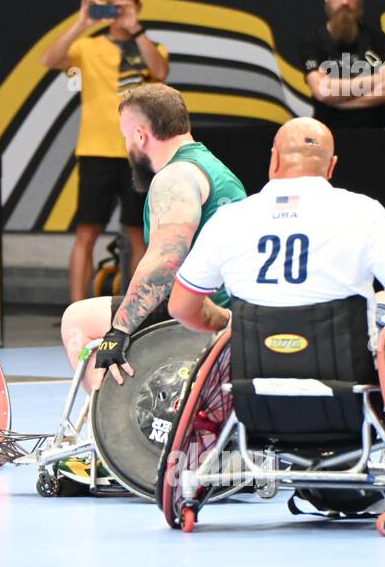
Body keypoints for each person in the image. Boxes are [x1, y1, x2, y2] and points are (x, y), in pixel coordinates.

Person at [167, 117, 385, 364]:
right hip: (346, 371)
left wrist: (228, 321)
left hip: (254, 370)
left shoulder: (228, 219)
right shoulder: (365, 212)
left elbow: (181, 307)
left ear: (274, 160)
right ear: (331, 167)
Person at [60, 84, 246, 392]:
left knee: (77, 319)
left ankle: (112, 432)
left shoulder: (175, 177)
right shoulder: (212, 167)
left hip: (207, 312)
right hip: (233, 309)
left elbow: (167, 259)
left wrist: (119, 329)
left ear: (140, 136)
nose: (126, 146)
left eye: (125, 137)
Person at [40, 0, 170, 303]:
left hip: (138, 153)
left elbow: (161, 71)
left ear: (138, 8)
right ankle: (75, 309)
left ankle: (138, 311)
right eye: (112, 5)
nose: (118, 12)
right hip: (95, 151)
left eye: (124, 5)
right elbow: (49, 59)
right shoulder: (89, 46)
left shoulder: (150, 46)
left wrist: (136, 30)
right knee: (86, 232)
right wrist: (82, 22)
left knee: (138, 233)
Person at [299, 0, 385, 130]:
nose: (345, 1)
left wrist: (342, 103)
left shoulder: (376, 38)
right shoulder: (313, 41)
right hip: (328, 137)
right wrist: (375, 80)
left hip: (374, 136)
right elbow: (322, 91)